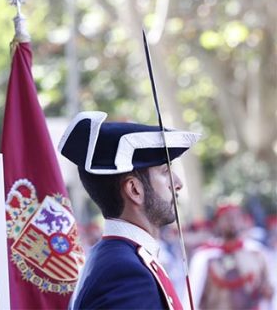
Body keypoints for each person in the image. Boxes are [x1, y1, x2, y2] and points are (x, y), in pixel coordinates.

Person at [58, 111, 201, 309]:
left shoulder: (119, 258)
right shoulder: (126, 272)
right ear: (134, 190)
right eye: (165, 172)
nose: (178, 183)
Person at [188, 203, 274, 309]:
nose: (232, 221)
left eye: (236, 217)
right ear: (217, 223)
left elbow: (269, 287)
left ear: (243, 221)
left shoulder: (256, 252)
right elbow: (194, 295)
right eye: (227, 218)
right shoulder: (204, 257)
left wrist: (267, 291)